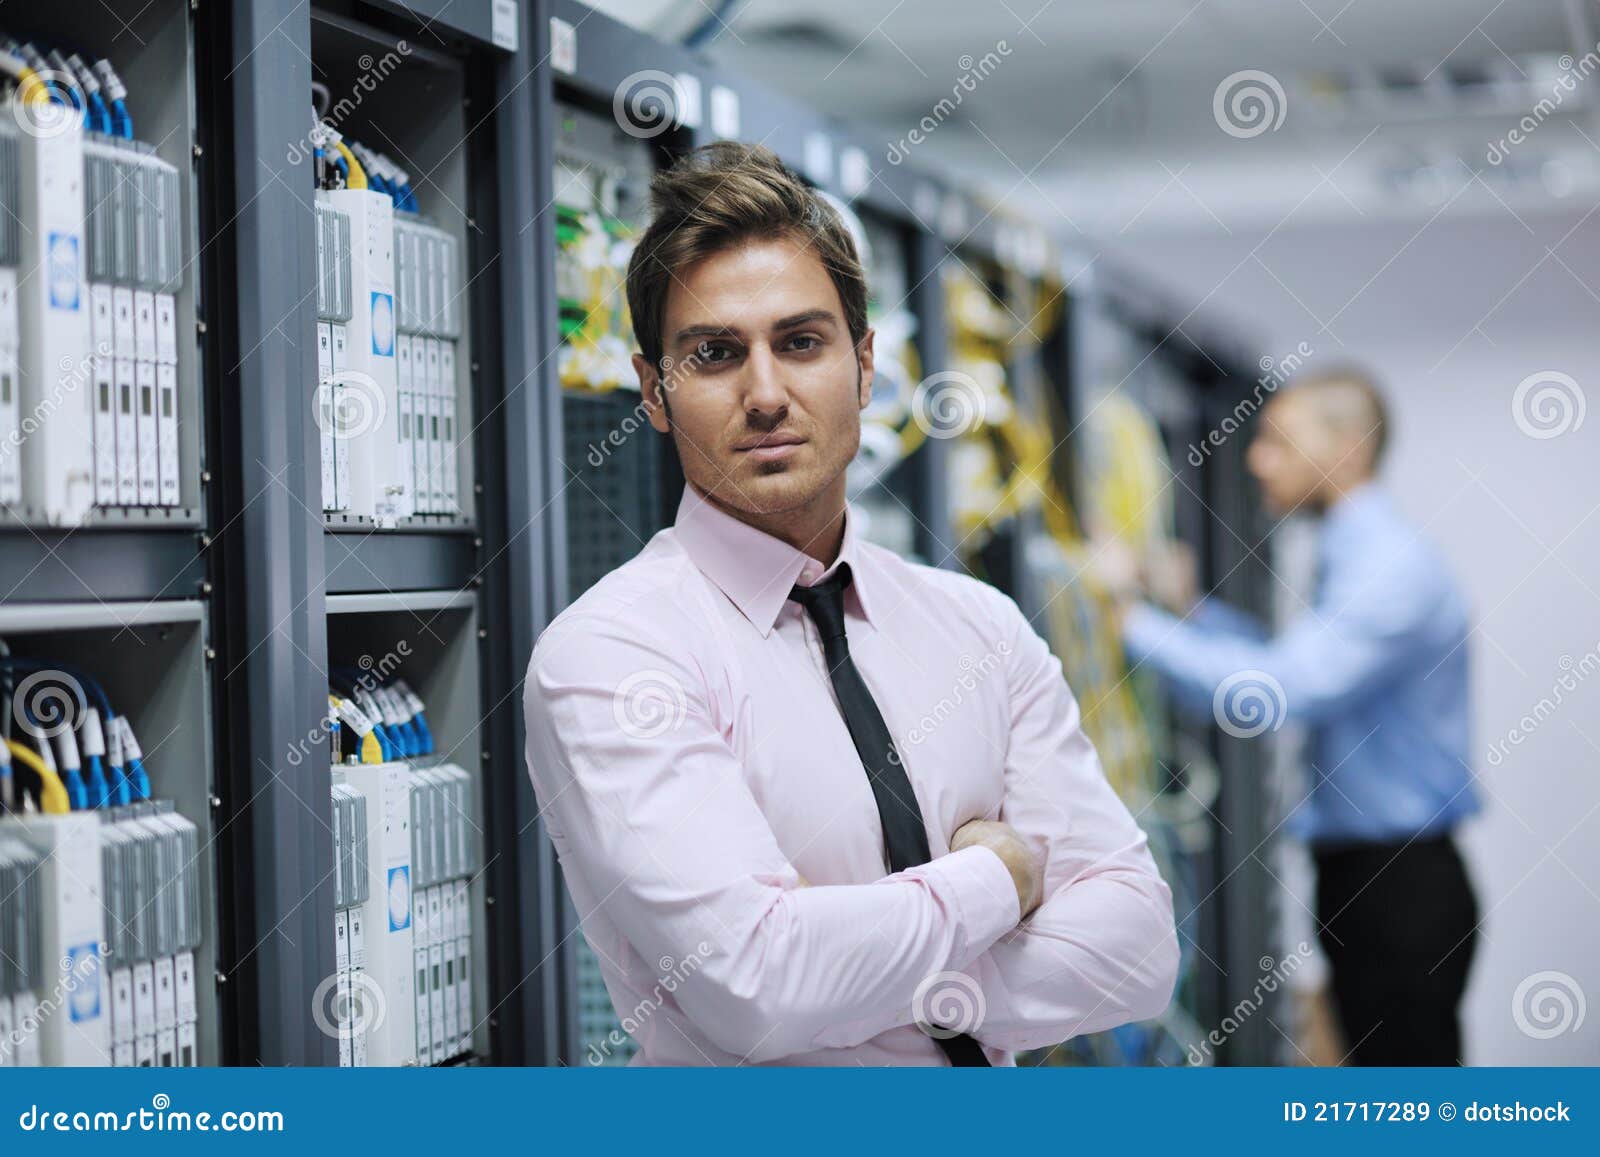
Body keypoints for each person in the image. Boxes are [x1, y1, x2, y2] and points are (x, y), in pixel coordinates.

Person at [523, 142, 1178, 1066]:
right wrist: (1000, 875)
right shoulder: (614, 655)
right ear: (655, 393)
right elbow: (755, 986)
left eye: (801, 342)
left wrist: (868, 988)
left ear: (864, 367)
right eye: (713, 354)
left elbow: (1139, 952)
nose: (765, 393)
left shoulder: (979, 626)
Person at [1112, 371, 1482, 1065]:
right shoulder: (1360, 553)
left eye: (1279, 441)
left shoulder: (1390, 569)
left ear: (1346, 448)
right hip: (1371, 876)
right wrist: (1185, 614)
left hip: (1399, 884)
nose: (1256, 459)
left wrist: (1127, 622)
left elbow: (1282, 690)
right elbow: (1285, 661)